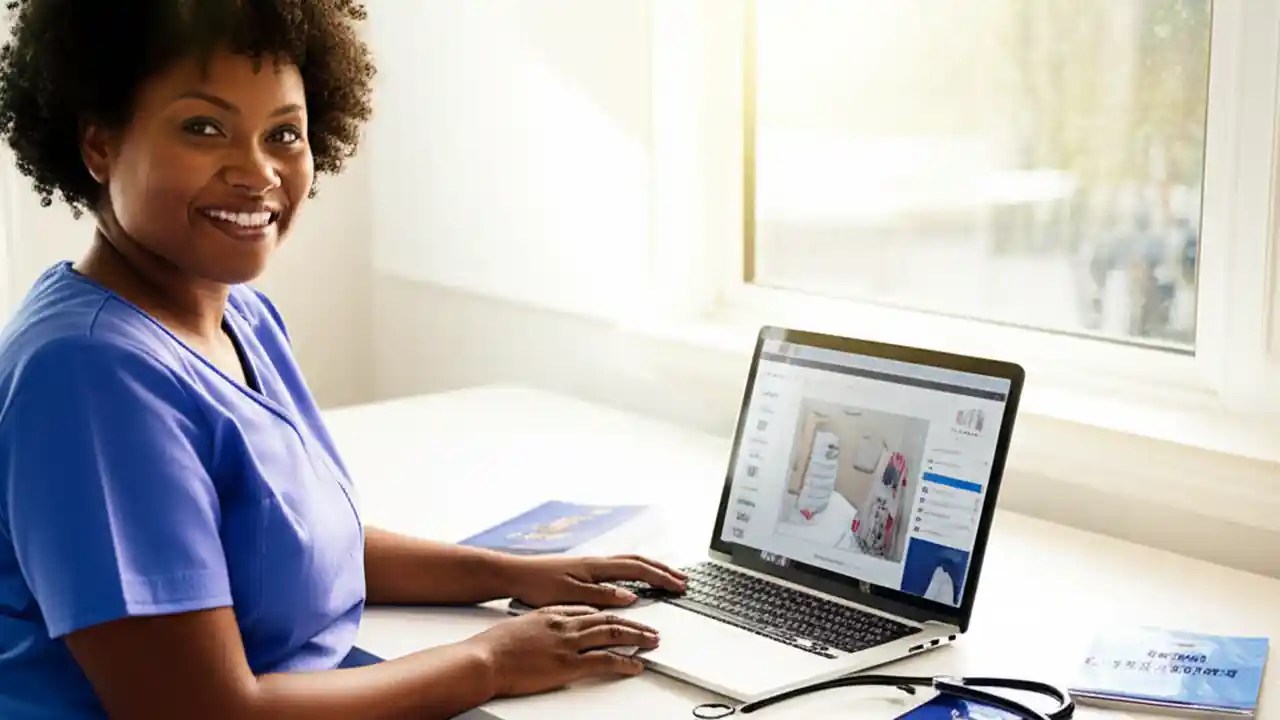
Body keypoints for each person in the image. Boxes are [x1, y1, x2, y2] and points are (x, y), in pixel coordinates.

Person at [0, 2, 686, 718]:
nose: (257, 171)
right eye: (204, 128)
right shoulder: (89, 376)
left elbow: (293, 546)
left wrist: (510, 574)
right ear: (99, 143)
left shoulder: (240, 316)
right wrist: (490, 661)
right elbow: (200, 711)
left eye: (284, 133)